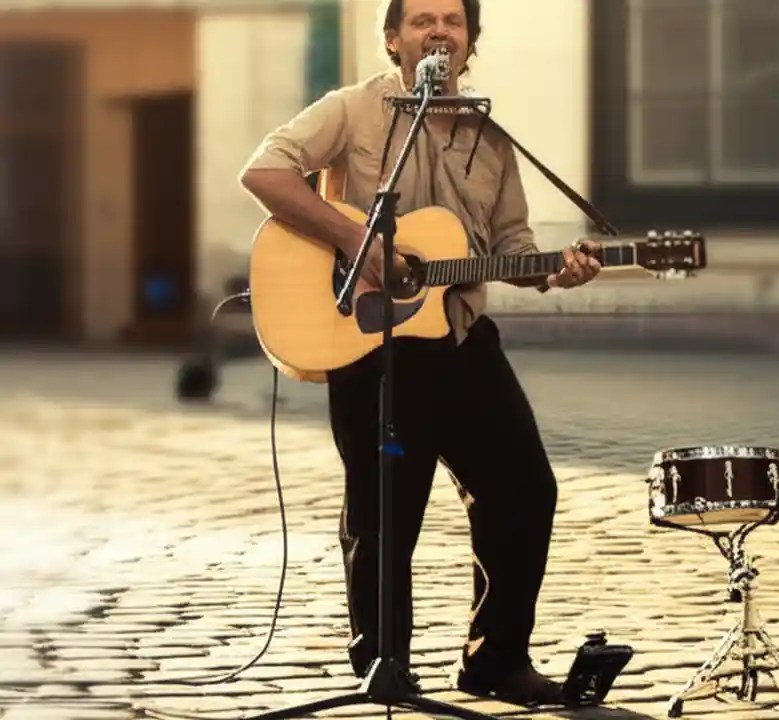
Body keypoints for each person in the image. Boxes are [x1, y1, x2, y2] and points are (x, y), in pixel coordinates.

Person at [238, 0, 600, 707]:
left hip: (460, 336)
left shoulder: (490, 138)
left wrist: (555, 268)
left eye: (454, 21)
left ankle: (496, 661)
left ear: (471, 42)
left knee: (524, 489)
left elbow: (513, 249)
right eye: (423, 19)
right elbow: (265, 172)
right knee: (383, 515)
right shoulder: (351, 110)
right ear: (393, 38)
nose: (440, 31)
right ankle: (385, 666)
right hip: (372, 341)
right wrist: (354, 241)